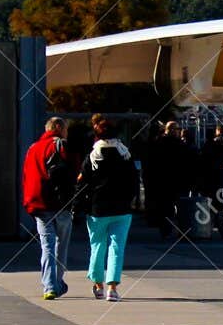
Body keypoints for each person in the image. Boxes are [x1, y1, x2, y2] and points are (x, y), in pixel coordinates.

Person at [77, 116, 139, 302]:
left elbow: (82, 184)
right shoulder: (125, 154)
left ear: (97, 136)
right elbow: (134, 182)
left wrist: (78, 206)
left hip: (97, 209)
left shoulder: (93, 157)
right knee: (117, 248)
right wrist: (132, 200)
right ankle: (112, 288)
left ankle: (98, 284)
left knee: (97, 246)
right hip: (122, 209)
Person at [22, 116, 78, 300]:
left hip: (39, 203)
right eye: (66, 129)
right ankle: (58, 282)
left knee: (47, 245)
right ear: (59, 128)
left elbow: (27, 176)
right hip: (60, 203)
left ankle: (49, 286)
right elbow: (73, 171)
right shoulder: (61, 146)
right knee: (61, 245)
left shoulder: (33, 148)